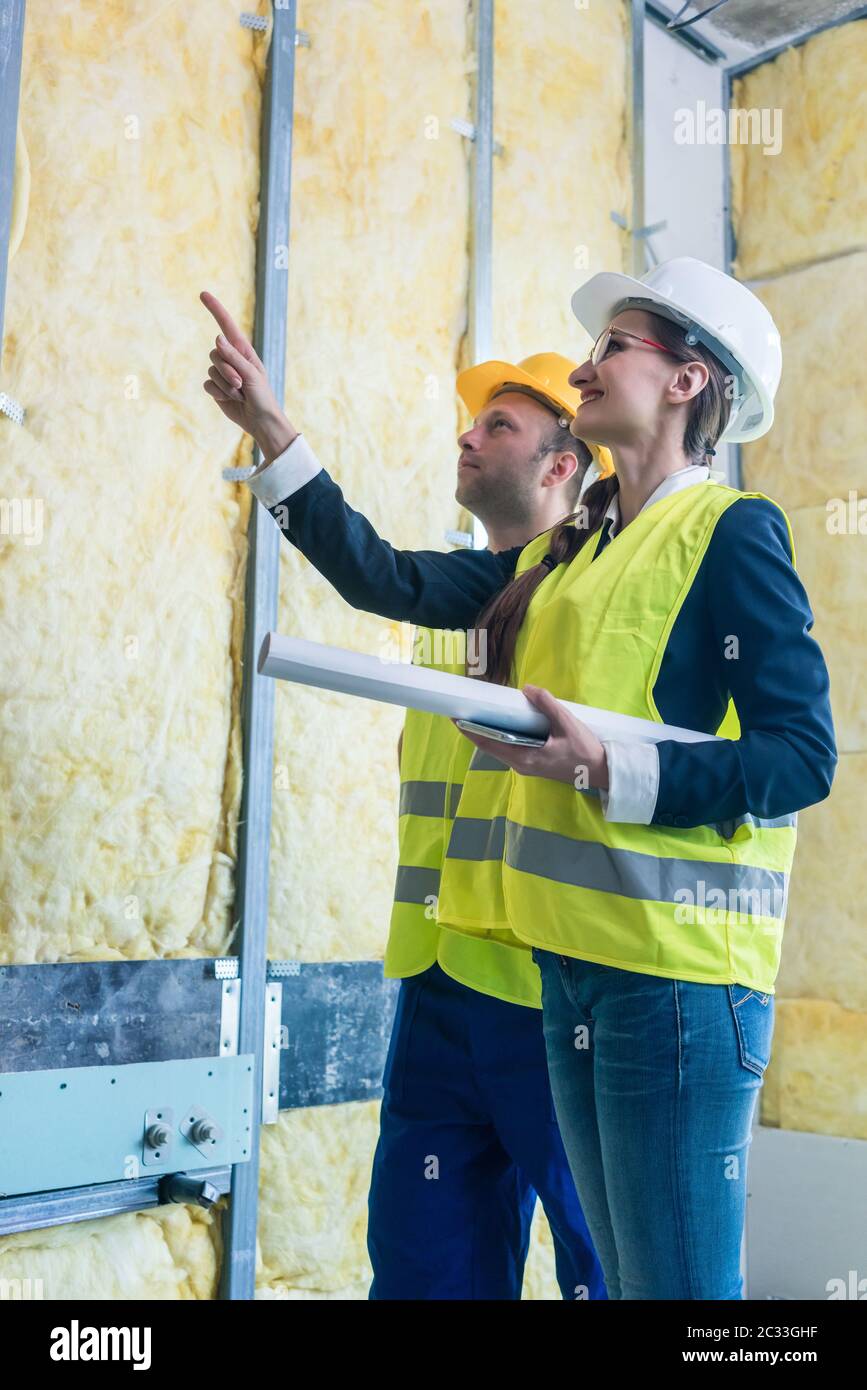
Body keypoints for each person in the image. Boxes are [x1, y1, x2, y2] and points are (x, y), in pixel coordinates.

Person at [200, 258, 836, 1299]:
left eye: (613, 346)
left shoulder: (730, 531)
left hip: (679, 977)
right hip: (577, 968)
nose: (587, 366)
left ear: (687, 379)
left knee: (673, 1290)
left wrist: (608, 765)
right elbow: (387, 576)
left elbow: (801, 757)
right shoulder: (571, 556)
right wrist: (275, 437)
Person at [370, 353, 610, 1299]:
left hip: (545, 984)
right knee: (427, 1262)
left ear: (561, 464)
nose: (467, 435)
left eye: (499, 425)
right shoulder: (456, 600)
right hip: (436, 975)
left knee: (603, 1261)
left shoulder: (590, 598)